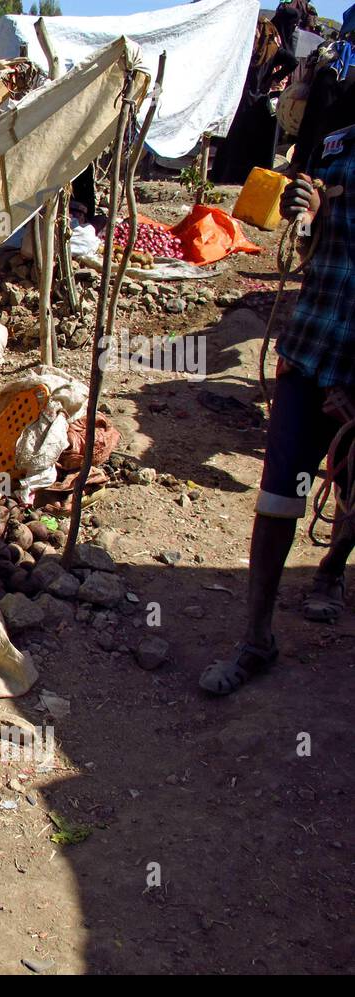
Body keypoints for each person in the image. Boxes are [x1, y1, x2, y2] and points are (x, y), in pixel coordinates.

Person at [201, 130, 355, 695]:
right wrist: (308, 216)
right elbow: (316, 249)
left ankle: (333, 570)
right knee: (279, 497)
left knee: (349, 490)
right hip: (310, 353)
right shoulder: (339, 148)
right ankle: (256, 638)